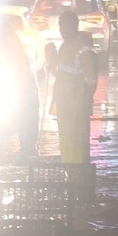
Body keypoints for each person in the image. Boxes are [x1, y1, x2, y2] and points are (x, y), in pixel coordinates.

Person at [44, 10, 100, 165]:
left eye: (65, 26)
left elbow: (90, 80)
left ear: (75, 26)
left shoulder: (83, 47)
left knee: (77, 147)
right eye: (61, 26)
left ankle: (78, 180)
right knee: (67, 145)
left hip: (76, 107)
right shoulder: (66, 45)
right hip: (65, 106)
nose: (62, 30)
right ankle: (71, 176)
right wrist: (51, 59)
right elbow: (61, 74)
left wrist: (81, 100)